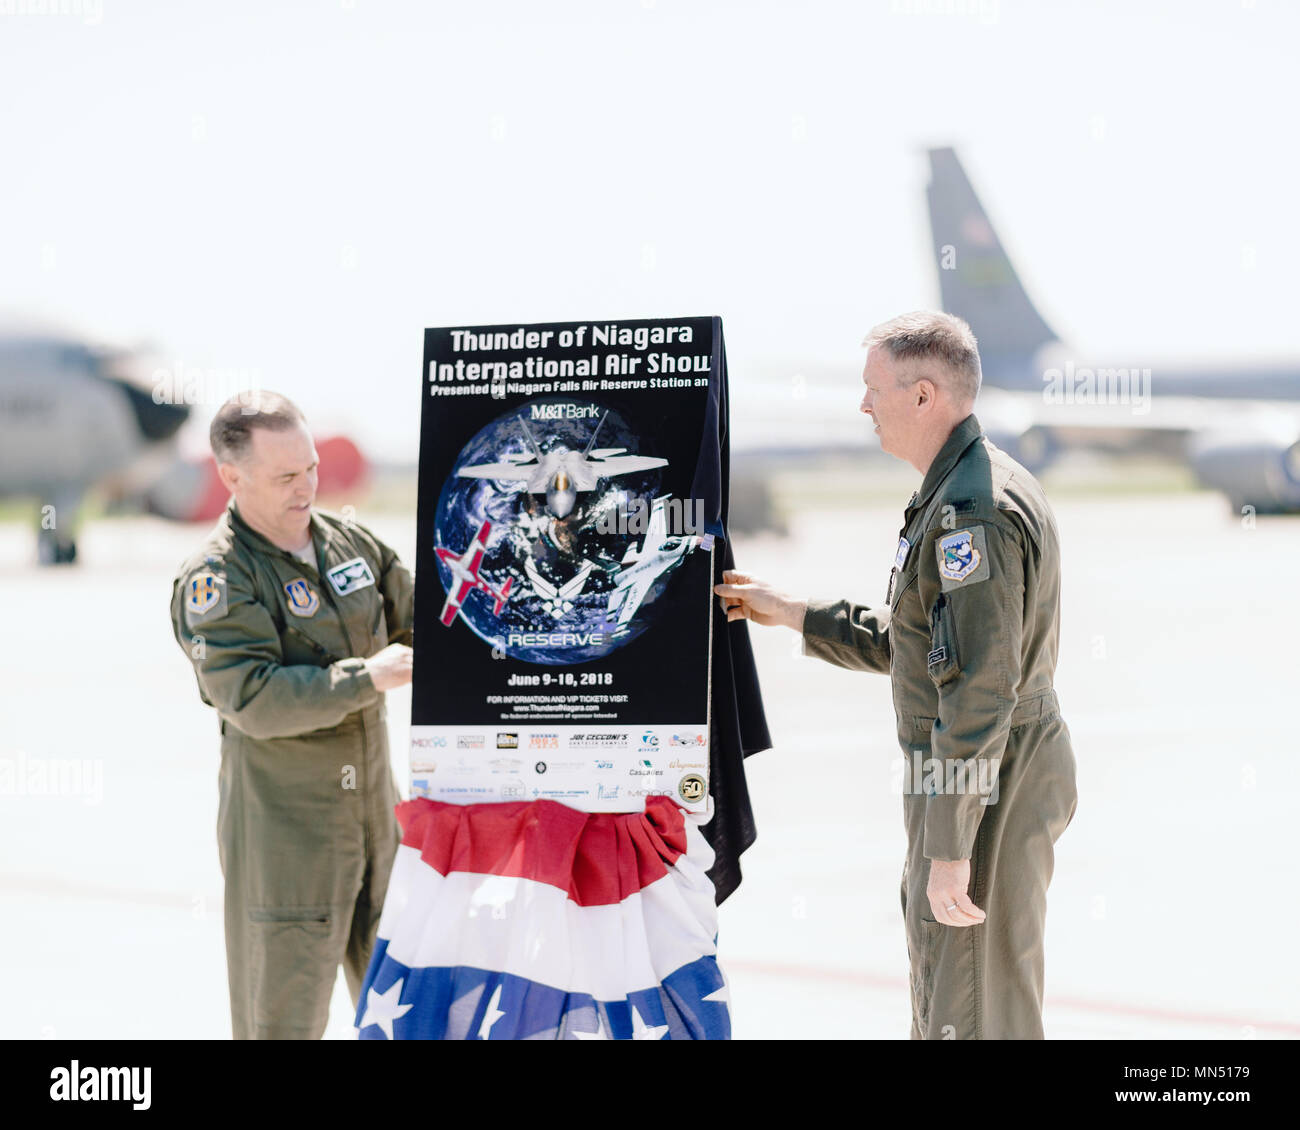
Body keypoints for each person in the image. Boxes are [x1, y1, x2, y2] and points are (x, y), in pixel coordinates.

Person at [715, 312, 1077, 1039]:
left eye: (873, 389)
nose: (863, 406)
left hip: (984, 780)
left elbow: (977, 693)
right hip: (977, 776)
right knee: (960, 989)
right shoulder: (960, 488)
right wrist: (790, 612)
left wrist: (950, 847)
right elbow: (924, 648)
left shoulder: (973, 513)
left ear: (922, 396)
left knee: (970, 1011)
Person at [169, 390, 414, 1039]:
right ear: (230, 475)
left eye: (308, 467)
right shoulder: (220, 579)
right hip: (286, 854)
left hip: (380, 839)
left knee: (411, 1022)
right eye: (285, 476)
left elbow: (430, 622)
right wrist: (369, 676)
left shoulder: (351, 545)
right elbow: (253, 697)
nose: (307, 485)